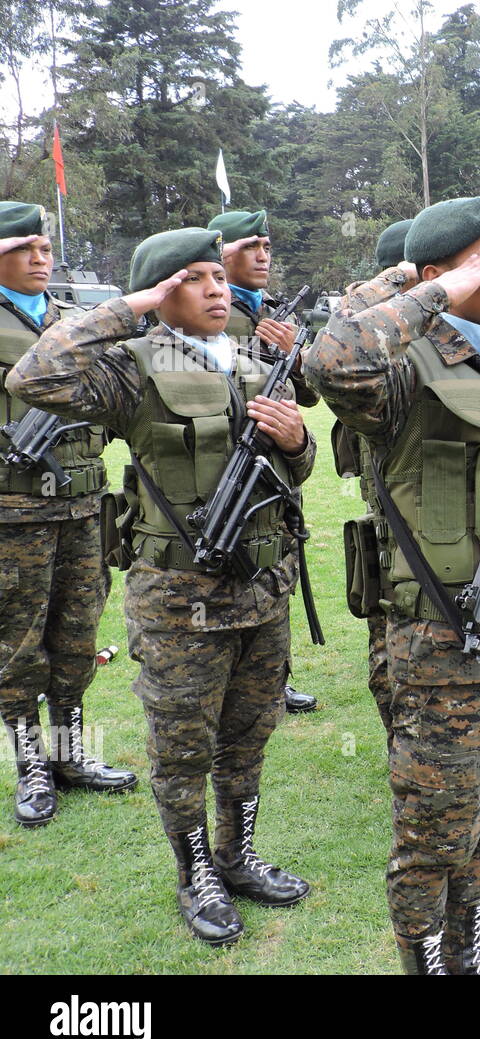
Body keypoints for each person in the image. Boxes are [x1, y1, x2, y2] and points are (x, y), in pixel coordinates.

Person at [306, 194, 480, 974]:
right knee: (433, 833)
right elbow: (331, 358)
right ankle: (426, 962)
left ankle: (468, 950)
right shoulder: (400, 373)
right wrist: (419, 283)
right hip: (440, 648)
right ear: (441, 276)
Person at [9, 226, 314, 945]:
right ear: (160, 291)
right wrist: (130, 306)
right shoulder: (133, 368)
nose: (215, 288)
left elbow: (292, 477)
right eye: (194, 277)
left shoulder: (248, 362)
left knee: (249, 734)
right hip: (181, 598)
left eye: (218, 275)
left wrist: (297, 442)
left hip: (263, 588)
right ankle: (195, 870)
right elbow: (31, 377)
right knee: (182, 744)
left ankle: (238, 854)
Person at [0, 200, 136, 828]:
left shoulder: (73, 321)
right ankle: (31, 762)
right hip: (12, 511)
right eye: (22, 248)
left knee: (77, 633)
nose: (39, 257)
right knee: (19, 642)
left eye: (43, 246)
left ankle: (69, 752)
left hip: (84, 502)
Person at [208, 209, 319, 714]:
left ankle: (276, 675)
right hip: (226, 460)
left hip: (281, 461)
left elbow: (311, 394)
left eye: (267, 247)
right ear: (221, 253)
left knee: (280, 567)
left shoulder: (277, 312)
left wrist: (294, 354)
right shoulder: (209, 313)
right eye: (250, 246)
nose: (263, 257)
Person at [330, 217, 415, 743]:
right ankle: (399, 732)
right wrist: (399, 277)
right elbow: (342, 330)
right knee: (388, 603)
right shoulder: (374, 316)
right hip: (387, 482)